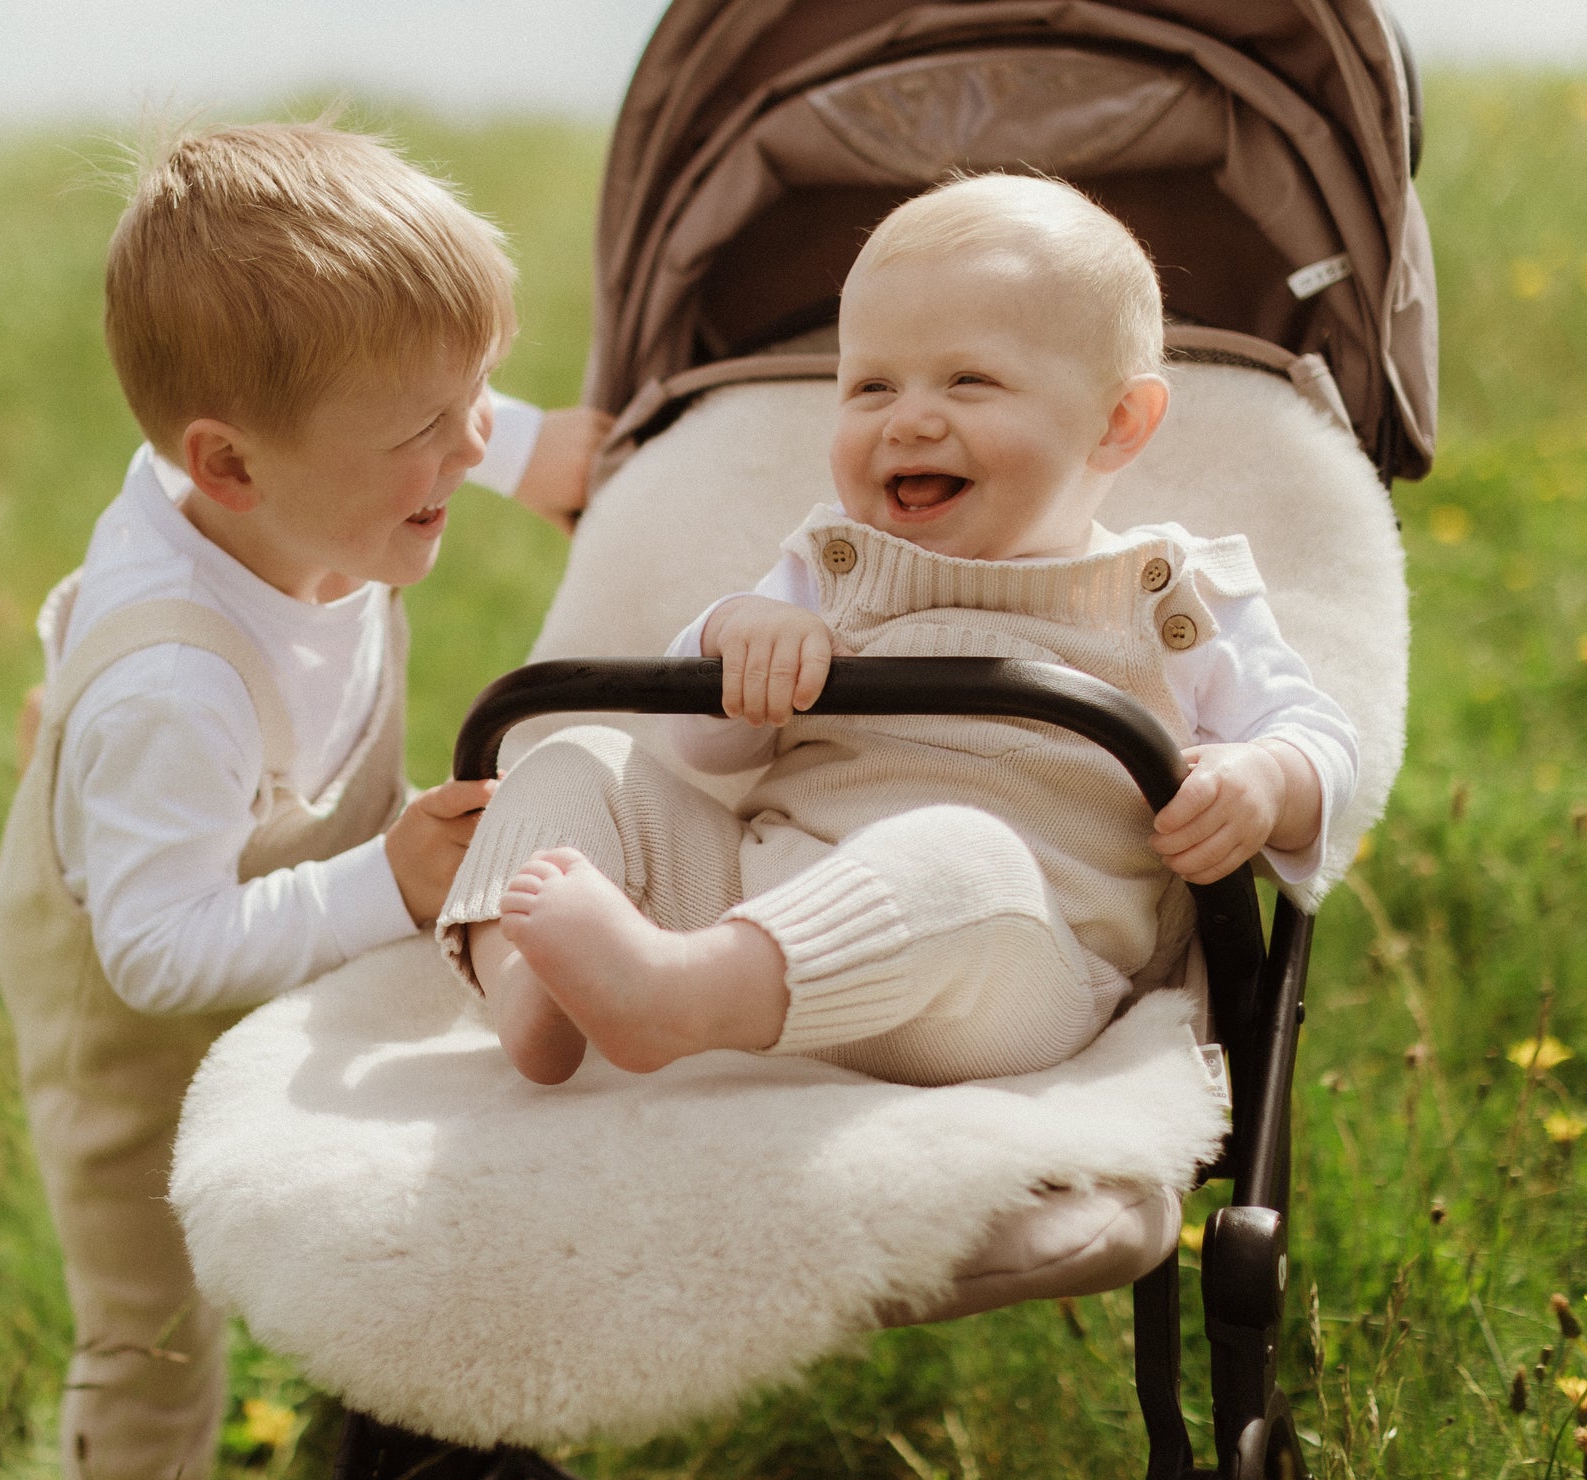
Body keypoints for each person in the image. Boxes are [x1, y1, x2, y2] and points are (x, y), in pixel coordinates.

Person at [0, 120, 611, 1480]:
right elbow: (154, 954)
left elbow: (420, 399)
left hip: (279, 857)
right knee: (152, 1335)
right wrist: (377, 884)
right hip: (132, 1017)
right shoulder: (178, 684)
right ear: (228, 464)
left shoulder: (296, 480)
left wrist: (532, 451)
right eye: (430, 431)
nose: (466, 445)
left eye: (480, 403)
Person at [437, 173, 1358, 1089]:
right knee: (573, 758)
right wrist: (735, 638)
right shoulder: (828, 568)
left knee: (959, 854)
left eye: (970, 380)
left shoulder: (1171, 597)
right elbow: (702, 745)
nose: (910, 419)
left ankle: (680, 998)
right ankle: (531, 986)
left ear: (1118, 422)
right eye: (871, 386)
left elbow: (1317, 735)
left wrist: (1266, 778)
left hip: (1008, 969)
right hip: (759, 893)